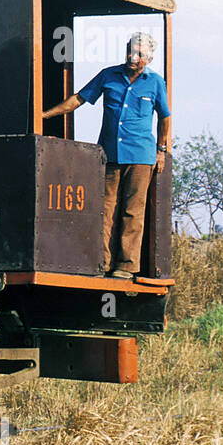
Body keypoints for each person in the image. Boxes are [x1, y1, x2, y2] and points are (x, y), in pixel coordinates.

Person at [41, 32, 171, 278]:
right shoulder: (108, 75)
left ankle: (126, 266)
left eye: (140, 54)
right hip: (110, 154)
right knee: (105, 208)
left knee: (133, 211)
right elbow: (79, 99)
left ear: (149, 58)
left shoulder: (155, 82)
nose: (133, 57)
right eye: (131, 51)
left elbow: (165, 117)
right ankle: (102, 263)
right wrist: (45, 115)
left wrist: (161, 150)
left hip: (141, 156)